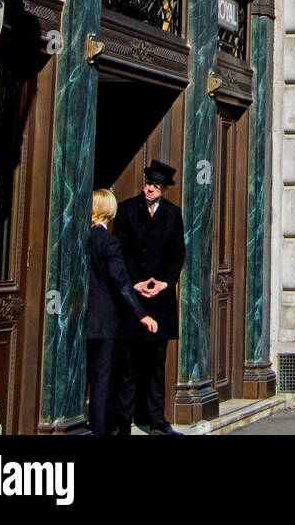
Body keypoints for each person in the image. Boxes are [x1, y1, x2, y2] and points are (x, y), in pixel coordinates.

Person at [113, 160, 186, 435]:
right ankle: (123, 422)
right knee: (129, 364)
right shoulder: (127, 209)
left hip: (160, 299)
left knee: (156, 364)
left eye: (156, 186)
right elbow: (123, 249)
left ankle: (156, 421)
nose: (150, 189)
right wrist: (136, 281)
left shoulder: (172, 213)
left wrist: (164, 282)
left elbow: (178, 252)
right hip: (134, 297)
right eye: (148, 184)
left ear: (164, 189)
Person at [87, 189, 158, 435]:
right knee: (103, 381)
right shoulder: (110, 242)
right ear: (110, 211)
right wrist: (142, 314)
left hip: (84, 320)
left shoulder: (83, 238)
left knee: (88, 378)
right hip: (106, 322)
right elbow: (121, 283)